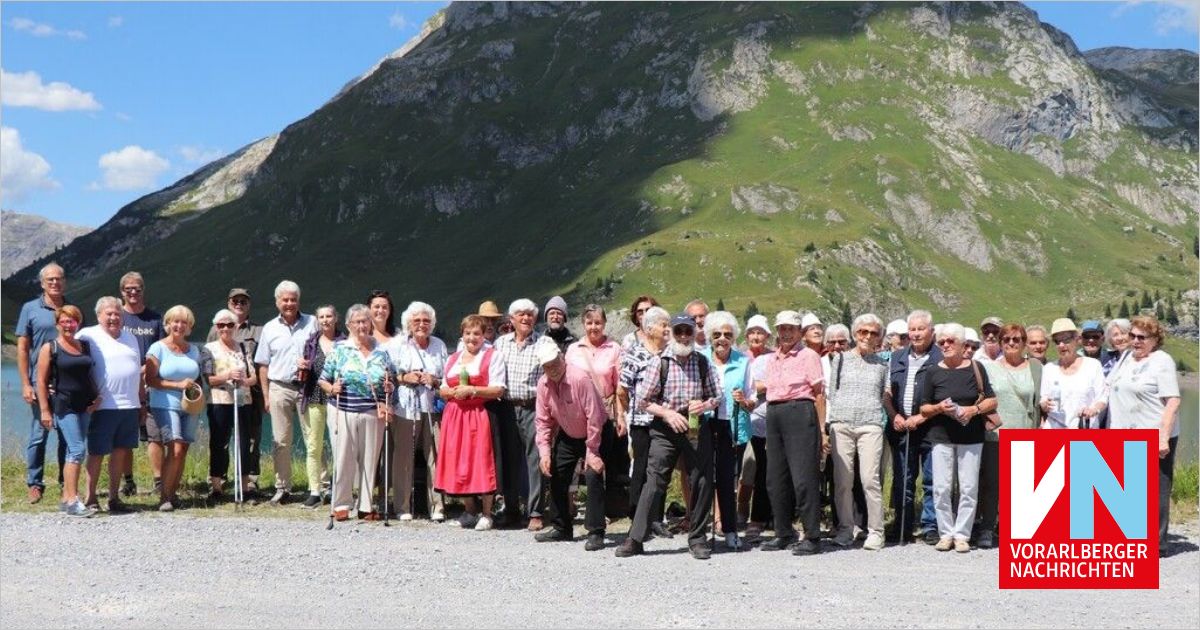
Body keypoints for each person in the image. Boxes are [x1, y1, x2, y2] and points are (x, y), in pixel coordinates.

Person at [616, 313, 722, 560]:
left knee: (702, 480)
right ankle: (635, 538)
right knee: (654, 481)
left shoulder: (703, 362)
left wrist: (705, 405)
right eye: (679, 331)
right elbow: (642, 401)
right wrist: (667, 414)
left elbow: (717, 396)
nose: (684, 336)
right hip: (665, 426)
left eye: (688, 331)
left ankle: (697, 539)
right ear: (671, 333)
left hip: (695, 425)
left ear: (695, 333)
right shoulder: (659, 362)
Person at [914, 323, 997, 554]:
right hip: (940, 436)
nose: (946, 345)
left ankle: (962, 535)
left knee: (969, 487)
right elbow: (924, 408)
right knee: (941, 488)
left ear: (963, 345)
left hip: (971, 436)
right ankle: (945, 533)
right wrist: (940, 407)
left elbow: (992, 400)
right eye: (941, 342)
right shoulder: (933, 371)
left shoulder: (976, 367)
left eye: (951, 341)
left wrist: (973, 410)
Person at [1106, 315, 1180, 547]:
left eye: (1142, 337)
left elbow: (1173, 401)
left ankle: (1156, 543)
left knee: (1156, 490)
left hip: (1152, 433)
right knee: (1127, 488)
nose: (1135, 341)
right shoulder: (1127, 357)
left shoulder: (1162, 361)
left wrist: (1163, 437)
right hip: (1123, 433)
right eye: (1133, 336)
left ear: (1155, 340)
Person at [759, 310, 828, 556]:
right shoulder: (772, 358)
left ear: (800, 331)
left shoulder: (809, 355)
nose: (786, 333)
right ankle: (783, 532)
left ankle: (812, 535)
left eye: (791, 328)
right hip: (775, 413)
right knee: (775, 478)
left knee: (803, 477)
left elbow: (819, 393)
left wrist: (821, 429)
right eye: (782, 328)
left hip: (800, 410)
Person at [318, 304, 393, 521]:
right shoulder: (340, 349)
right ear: (349, 325)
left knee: (370, 459)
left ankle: (366, 506)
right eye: (357, 322)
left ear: (370, 324)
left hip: (372, 411)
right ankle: (341, 504)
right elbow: (323, 379)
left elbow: (391, 379)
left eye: (365, 321)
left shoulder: (382, 351)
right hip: (343, 410)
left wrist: (390, 387)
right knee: (343, 458)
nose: (361, 325)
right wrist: (332, 388)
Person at [534, 345, 609, 550]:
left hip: (596, 430)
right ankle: (561, 528)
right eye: (548, 366)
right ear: (543, 368)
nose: (553, 368)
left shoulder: (579, 378)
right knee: (555, 472)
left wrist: (592, 451)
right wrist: (544, 453)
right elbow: (543, 422)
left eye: (555, 363)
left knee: (593, 474)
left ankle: (596, 531)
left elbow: (594, 417)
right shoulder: (543, 385)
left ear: (562, 358)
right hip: (568, 432)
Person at [826, 314, 889, 551]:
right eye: (863, 332)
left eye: (874, 333)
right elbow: (833, 393)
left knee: (869, 479)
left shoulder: (883, 364)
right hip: (841, 423)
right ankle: (845, 528)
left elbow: (884, 394)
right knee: (842, 480)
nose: (868, 336)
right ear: (854, 334)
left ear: (879, 337)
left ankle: (876, 531)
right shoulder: (839, 359)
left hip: (870, 424)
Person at [437, 315, 506, 530]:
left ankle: (487, 513)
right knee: (460, 461)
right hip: (455, 415)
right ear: (462, 334)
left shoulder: (492, 356)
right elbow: (442, 387)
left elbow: (498, 389)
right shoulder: (453, 358)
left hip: (479, 413)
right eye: (468, 333)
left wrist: (473, 390)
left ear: (484, 335)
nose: (471, 338)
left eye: (476, 333)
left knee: (481, 461)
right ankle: (469, 510)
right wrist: (448, 392)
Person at [977, 324, 1042, 549]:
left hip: (1025, 433)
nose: (1011, 343)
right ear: (1001, 343)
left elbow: (1039, 399)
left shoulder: (1035, 368)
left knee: (1020, 485)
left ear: (1024, 343)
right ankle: (987, 527)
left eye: (1016, 339)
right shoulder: (989, 368)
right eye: (1006, 340)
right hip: (996, 434)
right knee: (992, 483)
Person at [494, 299, 556, 530]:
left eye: (530, 314)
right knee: (509, 460)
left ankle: (536, 512)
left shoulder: (544, 343)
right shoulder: (500, 344)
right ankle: (511, 510)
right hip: (506, 407)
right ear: (511, 319)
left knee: (535, 459)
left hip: (533, 407)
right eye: (520, 314)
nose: (526, 318)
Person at [254, 280, 317, 504]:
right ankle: (282, 487)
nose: (289, 303)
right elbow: (262, 364)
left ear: (298, 301)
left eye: (293, 299)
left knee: (313, 438)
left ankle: (319, 487)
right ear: (277, 302)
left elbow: (323, 353)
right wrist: (266, 395)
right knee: (280, 441)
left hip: (308, 388)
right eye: (285, 300)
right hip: (279, 387)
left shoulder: (313, 323)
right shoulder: (270, 328)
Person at [78, 297, 143, 514]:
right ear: (99, 316)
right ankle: (90, 497)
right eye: (109, 314)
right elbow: (71, 363)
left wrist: (142, 402)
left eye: (117, 313)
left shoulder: (131, 337)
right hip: (102, 406)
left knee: (121, 452)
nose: (114, 317)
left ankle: (114, 497)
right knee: (96, 452)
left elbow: (138, 372)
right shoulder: (87, 335)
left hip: (130, 405)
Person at [565, 304, 628, 519]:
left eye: (598, 322)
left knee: (606, 462)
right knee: (580, 464)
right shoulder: (574, 349)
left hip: (606, 411)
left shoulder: (614, 348)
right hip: (579, 414)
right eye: (589, 322)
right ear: (583, 324)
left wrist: (621, 415)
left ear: (604, 324)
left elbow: (620, 386)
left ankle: (608, 511)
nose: (594, 327)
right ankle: (580, 509)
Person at [36, 304, 99, 517]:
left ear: (78, 323)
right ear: (57, 324)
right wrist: (45, 410)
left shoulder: (85, 346)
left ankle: (66, 498)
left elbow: (89, 375)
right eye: (64, 321)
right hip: (65, 405)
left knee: (75, 451)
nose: (68, 325)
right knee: (77, 450)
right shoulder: (50, 348)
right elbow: (41, 382)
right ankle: (73, 500)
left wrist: (97, 397)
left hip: (85, 406)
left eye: (72, 320)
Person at [885, 310, 942, 544]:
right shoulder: (897, 357)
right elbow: (886, 393)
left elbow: (944, 395)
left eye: (921, 329)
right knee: (903, 480)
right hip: (901, 427)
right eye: (913, 329)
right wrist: (894, 416)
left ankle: (930, 526)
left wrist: (921, 417)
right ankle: (903, 524)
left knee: (931, 480)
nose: (916, 334)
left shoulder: (940, 358)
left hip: (931, 427)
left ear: (932, 332)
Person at [18, 262, 71, 504]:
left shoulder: (71, 309)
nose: (55, 283)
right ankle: (34, 484)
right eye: (50, 279)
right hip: (38, 382)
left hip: (66, 384)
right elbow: (22, 348)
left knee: (66, 435)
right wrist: (25, 384)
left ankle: (65, 482)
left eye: (59, 279)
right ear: (42, 283)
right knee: (39, 434)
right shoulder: (30, 309)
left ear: (64, 281)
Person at [617, 306, 672, 539]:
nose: (667, 329)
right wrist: (629, 411)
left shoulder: (670, 354)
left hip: (664, 420)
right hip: (641, 422)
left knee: (661, 471)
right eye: (663, 325)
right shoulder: (635, 354)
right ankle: (636, 519)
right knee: (640, 469)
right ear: (650, 329)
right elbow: (622, 389)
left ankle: (656, 519)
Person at [699, 310, 751, 550]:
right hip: (705, 423)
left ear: (733, 337)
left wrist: (743, 400)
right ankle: (699, 531)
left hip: (730, 423)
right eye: (717, 334)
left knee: (727, 479)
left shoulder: (743, 361)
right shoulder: (699, 358)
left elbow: (751, 401)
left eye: (727, 334)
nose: (722, 338)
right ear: (710, 335)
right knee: (702, 479)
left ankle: (730, 530)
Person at [393, 301, 448, 521]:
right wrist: (405, 377)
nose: (422, 324)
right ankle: (403, 506)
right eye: (417, 320)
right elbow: (389, 374)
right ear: (409, 323)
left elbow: (448, 376)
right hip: (405, 409)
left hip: (432, 408)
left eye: (426, 320)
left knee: (435, 457)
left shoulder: (439, 345)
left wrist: (433, 380)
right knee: (403, 458)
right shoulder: (399, 345)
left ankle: (438, 506)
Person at [207, 288, 265, 497]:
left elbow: (254, 375)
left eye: (230, 325)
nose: (225, 328)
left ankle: (247, 484)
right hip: (219, 400)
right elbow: (209, 377)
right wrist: (227, 376)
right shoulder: (210, 344)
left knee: (247, 442)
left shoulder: (249, 341)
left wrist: (244, 381)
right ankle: (217, 484)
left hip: (245, 399)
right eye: (221, 325)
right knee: (219, 442)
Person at [144, 305, 202, 512]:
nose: (179, 325)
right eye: (175, 321)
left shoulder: (194, 349)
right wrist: (177, 385)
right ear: (167, 324)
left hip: (190, 404)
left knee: (183, 449)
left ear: (189, 327)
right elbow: (150, 379)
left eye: (184, 322)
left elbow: (197, 378)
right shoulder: (157, 348)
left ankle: (172, 492)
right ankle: (164, 497)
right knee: (175, 447)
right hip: (164, 403)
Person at [116, 271, 163, 497]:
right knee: (126, 437)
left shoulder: (155, 318)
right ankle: (129, 481)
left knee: (153, 436)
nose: (133, 292)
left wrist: (146, 369)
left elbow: (162, 349)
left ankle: (158, 481)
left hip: (150, 384)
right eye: (128, 289)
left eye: (137, 288)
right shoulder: (117, 317)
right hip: (123, 387)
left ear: (143, 290)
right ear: (122, 292)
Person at [299, 305, 342, 508]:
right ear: (317, 319)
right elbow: (304, 368)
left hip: (339, 400)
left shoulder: (344, 342)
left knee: (339, 446)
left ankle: (337, 487)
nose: (325, 320)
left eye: (329, 316)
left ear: (336, 318)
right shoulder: (311, 342)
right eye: (322, 317)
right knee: (313, 445)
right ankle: (315, 490)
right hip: (314, 397)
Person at [740, 314, 773, 539]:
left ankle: (758, 517)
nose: (756, 336)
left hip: (765, 421)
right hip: (741, 421)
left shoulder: (773, 357)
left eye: (760, 332)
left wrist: (751, 389)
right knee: (742, 470)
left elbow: (775, 384)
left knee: (762, 469)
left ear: (767, 336)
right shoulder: (741, 357)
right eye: (752, 332)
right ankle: (739, 512)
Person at [1040, 319, 1107, 429]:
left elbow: (1102, 398)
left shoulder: (1093, 365)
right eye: (1057, 341)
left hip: (1084, 428)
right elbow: (1044, 398)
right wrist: (1044, 405)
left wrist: (1093, 410)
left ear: (1077, 339)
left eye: (1066, 340)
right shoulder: (1049, 369)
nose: (1061, 345)